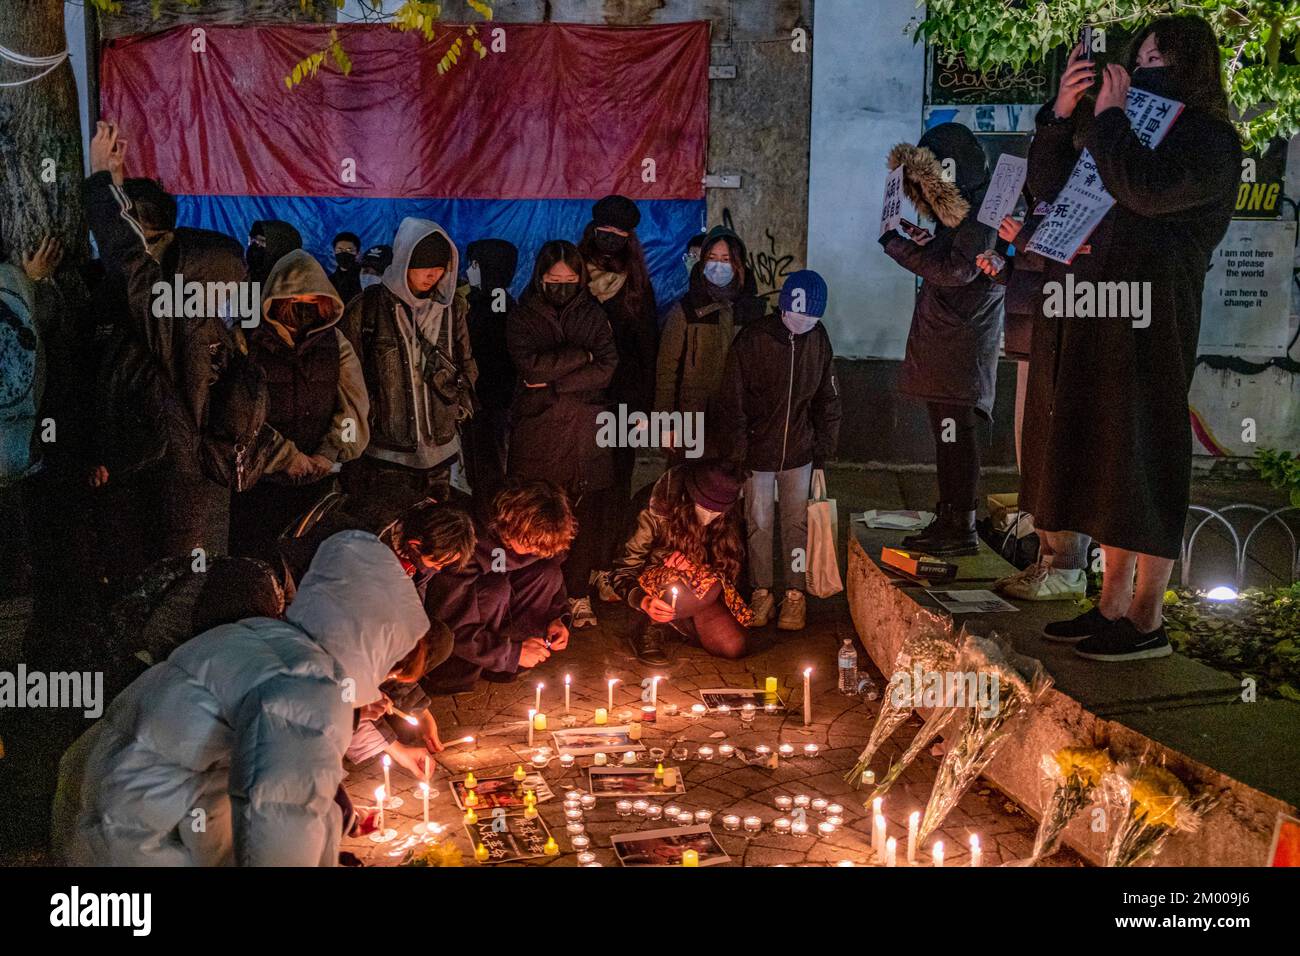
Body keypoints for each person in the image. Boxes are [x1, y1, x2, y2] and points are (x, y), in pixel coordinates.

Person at [1022, 18, 1239, 660]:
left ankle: (1147, 619)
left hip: (1155, 320)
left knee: (1144, 455)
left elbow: (1143, 188)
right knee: (1106, 458)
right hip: (1095, 310)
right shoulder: (1116, 127)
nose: (1142, 70)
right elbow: (1049, 188)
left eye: (1159, 60)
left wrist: (1111, 116)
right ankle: (1110, 602)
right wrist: (1062, 115)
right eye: (1137, 57)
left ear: (1192, 70)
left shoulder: (1210, 141)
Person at [53, 530, 431, 866]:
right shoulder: (311, 687)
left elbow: (262, 780)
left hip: (97, 799)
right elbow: (282, 822)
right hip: (138, 836)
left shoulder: (261, 634)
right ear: (376, 644)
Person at [878, 121, 1004, 556]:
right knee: (948, 438)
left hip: (960, 344)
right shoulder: (968, 212)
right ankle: (951, 517)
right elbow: (954, 257)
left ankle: (960, 526)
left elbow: (957, 270)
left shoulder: (982, 212)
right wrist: (925, 241)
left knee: (955, 437)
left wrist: (897, 246)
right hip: (950, 340)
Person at [717, 270, 842, 630]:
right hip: (757, 454)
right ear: (783, 307)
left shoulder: (818, 339)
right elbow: (733, 399)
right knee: (758, 523)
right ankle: (761, 592)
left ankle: (795, 594)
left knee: (796, 525)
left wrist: (822, 453)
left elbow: (828, 400)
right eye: (796, 315)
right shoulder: (754, 339)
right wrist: (738, 451)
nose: (802, 323)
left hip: (799, 453)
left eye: (810, 318)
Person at [977, 213, 1091, 602]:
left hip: (1058, 334)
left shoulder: (1077, 195)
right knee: (1033, 459)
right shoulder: (1039, 198)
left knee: (1057, 455)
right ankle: (1047, 559)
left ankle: (1068, 565)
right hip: (1029, 338)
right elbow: (1030, 270)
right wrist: (1002, 269)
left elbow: (1071, 261)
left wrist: (1025, 238)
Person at [229, 250, 370, 561]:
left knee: (310, 562)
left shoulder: (336, 343)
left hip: (317, 483)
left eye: (313, 302)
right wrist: (284, 457)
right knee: (259, 561)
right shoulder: (244, 340)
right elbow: (235, 412)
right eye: (296, 303)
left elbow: (353, 410)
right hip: (258, 484)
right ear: (275, 300)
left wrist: (329, 452)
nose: (305, 311)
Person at [506, 240, 617, 629]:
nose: (562, 285)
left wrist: (556, 383)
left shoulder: (593, 313)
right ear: (541, 277)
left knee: (582, 517)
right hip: (541, 435)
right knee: (540, 516)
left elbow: (606, 366)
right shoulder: (523, 315)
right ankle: (539, 601)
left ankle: (578, 595)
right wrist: (579, 356)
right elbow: (530, 368)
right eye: (555, 279)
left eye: (570, 280)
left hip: (585, 433)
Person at [340, 217, 477, 524]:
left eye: (440, 266)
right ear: (403, 260)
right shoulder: (367, 308)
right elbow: (347, 377)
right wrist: (361, 427)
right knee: (390, 534)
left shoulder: (453, 308)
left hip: (442, 451)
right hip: (386, 454)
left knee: (437, 536)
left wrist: (460, 408)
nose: (433, 274)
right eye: (423, 265)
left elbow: (466, 362)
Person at [577, 196, 660, 607]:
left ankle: (606, 569)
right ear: (592, 232)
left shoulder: (638, 285)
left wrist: (645, 411)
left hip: (623, 407)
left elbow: (649, 351)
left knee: (614, 487)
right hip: (578, 403)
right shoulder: (570, 277)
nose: (608, 240)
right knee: (581, 488)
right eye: (603, 232)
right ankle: (575, 574)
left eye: (618, 235)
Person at [423, 482, 575, 688]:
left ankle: (508, 665)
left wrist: (556, 617)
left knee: (547, 571)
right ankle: (461, 672)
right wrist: (510, 654)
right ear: (511, 526)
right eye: (531, 544)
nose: (536, 551)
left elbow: (551, 574)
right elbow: (449, 618)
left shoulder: (537, 537)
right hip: (456, 635)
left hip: (500, 620)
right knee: (495, 589)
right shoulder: (466, 538)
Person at [611, 459, 752, 663]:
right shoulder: (653, 507)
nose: (709, 517)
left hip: (699, 592)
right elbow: (622, 570)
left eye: (717, 512)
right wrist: (644, 600)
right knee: (705, 585)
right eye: (705, 508)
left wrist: (696, 563)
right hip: (654, 588)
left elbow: (728, 566)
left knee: (733, 646)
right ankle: (649, 625)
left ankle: (677, 623)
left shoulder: (726, 515)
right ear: (691, 496)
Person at [656, 224, 765, 460]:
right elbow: (666, 371)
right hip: (692, 420)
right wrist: (666, 423)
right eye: (712, 258)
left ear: (738, 264)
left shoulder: (753, 311)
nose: (718, 266)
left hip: (739, 419)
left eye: (726, 259)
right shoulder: (686, 310)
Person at [461, 238, 519, 509]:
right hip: (478, 404)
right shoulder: (480, 301)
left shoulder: (497, 306)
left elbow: (495, 357)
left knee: (490, 472)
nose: (468, 271)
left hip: (492, 404)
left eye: (475, 265)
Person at [246, 219, 303, 285]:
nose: (254, 246)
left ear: (280, 246)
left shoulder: (300, 285)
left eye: (262, 241)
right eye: (252, 240)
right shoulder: (249, 277)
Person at [329, 230, 363, 304]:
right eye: (339, 250)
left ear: (357, 253)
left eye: (349, 250)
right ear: (334, 252)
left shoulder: (364, 277)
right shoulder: (330, 280)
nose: (344, 253)